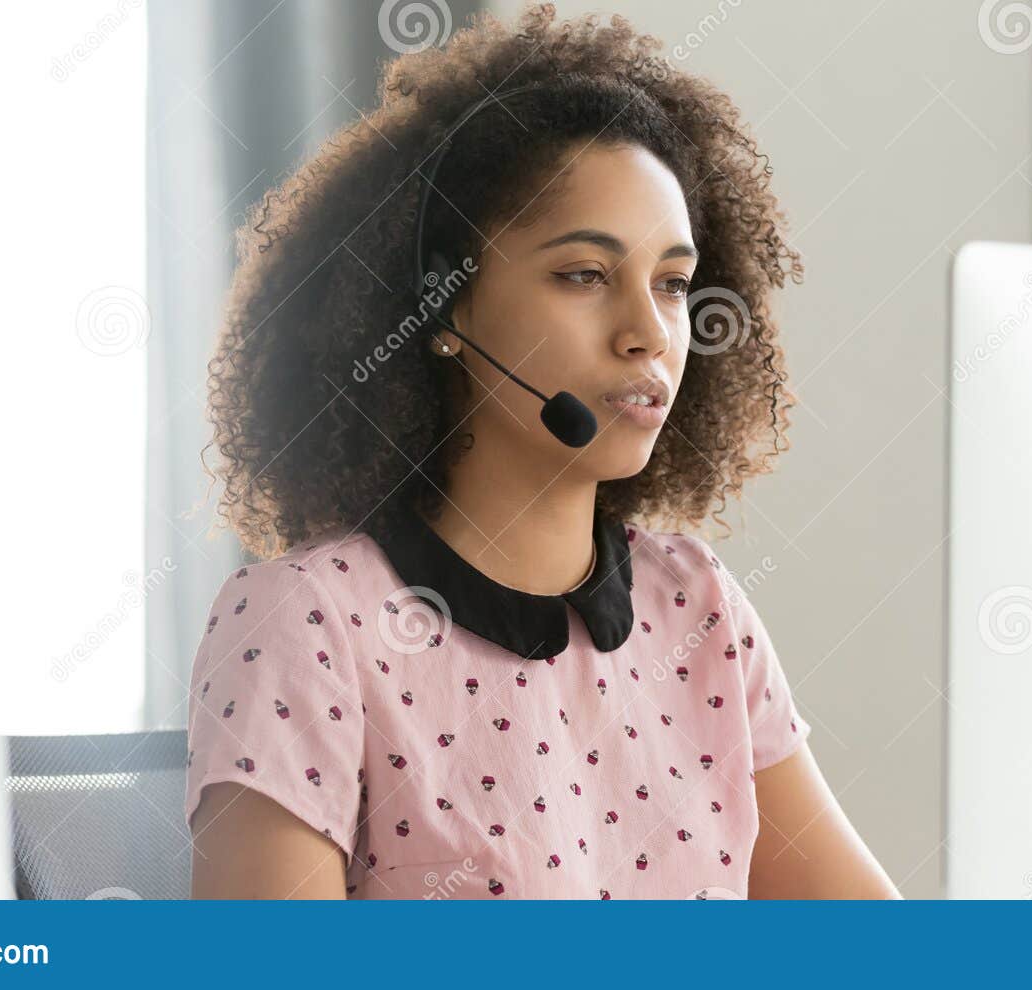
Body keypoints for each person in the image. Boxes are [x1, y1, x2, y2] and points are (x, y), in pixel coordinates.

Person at [185, 2, 899, 900]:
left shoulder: (698, 607)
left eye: (673, 284)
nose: (650, 332)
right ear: (446, 309)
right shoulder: (308, 624)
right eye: (585, 276)